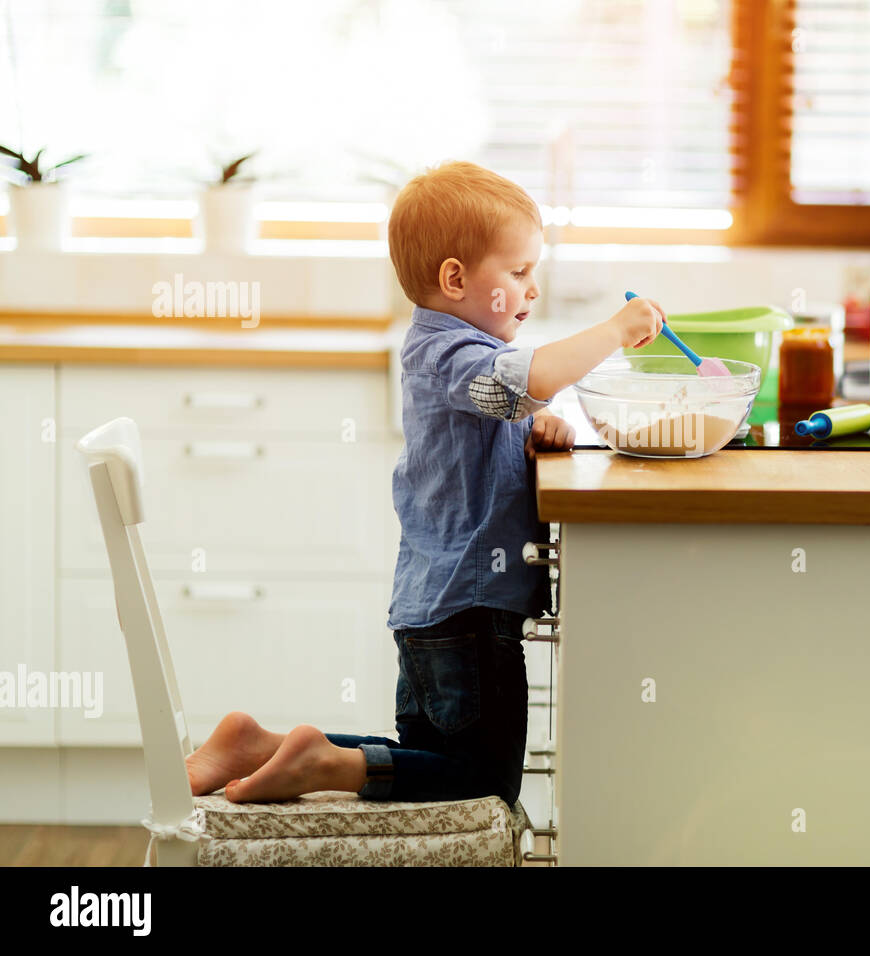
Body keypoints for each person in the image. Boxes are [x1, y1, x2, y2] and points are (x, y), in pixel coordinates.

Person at [186, 160, 664, 805]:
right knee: (483, 783)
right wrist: (614, 331)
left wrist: (535, 425)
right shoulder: (448, 352)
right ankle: (321, 763)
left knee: (431, 759)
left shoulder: (457, 351)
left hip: (436, 604)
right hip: (468, 609)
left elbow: (507, 403)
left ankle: (260, 745)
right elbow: (534, 378)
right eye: (519, 272)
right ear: (456, 279)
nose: (533, 290)